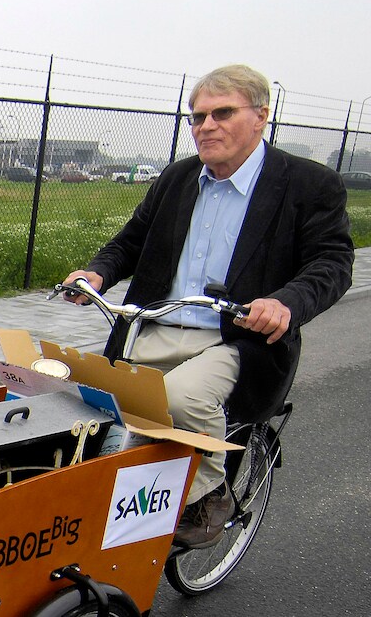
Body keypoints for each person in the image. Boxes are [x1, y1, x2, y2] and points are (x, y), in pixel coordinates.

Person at [61, 64, 353, 548]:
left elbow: (333, 263)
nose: (205, 126)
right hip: (156, 325)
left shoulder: (307, 185)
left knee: (178, 398)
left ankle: (209, 492)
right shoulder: (178, 178)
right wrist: (98, 272)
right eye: (197, 117)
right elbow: (131, 241)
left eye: (222, 113)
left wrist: (284, 302)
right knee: (85, 397)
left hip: (236, 340)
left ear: (261, 116)